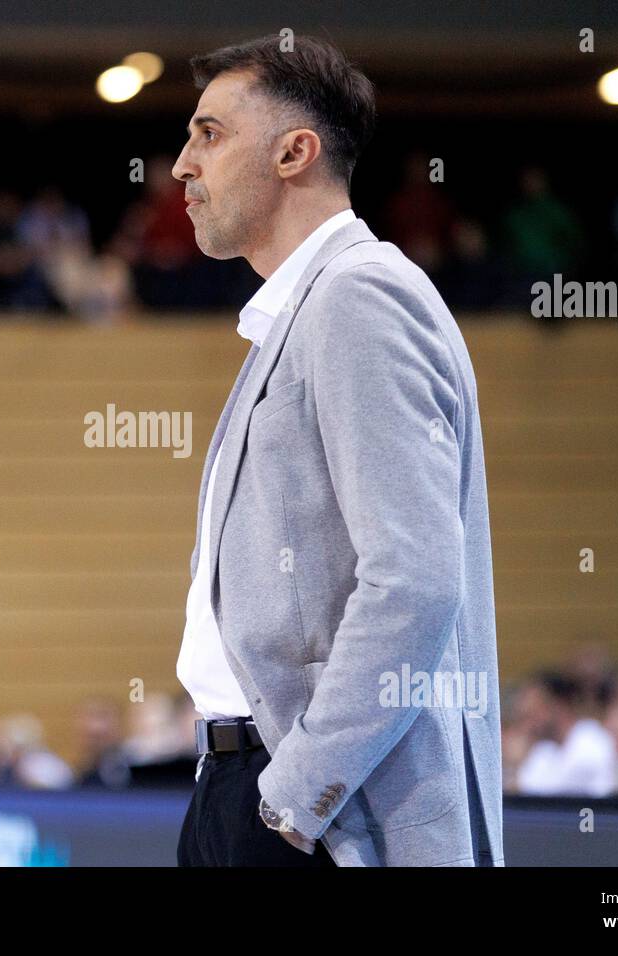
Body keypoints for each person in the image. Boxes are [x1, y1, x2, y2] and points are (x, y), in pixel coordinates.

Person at [171, 35, 502, 866]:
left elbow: (416, 580)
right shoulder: (301, 314)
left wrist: (295, 797)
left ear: (294, 152)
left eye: (209, 134)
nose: (181, 165)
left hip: (321, 807)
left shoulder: (360, 298)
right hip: (249, 785)